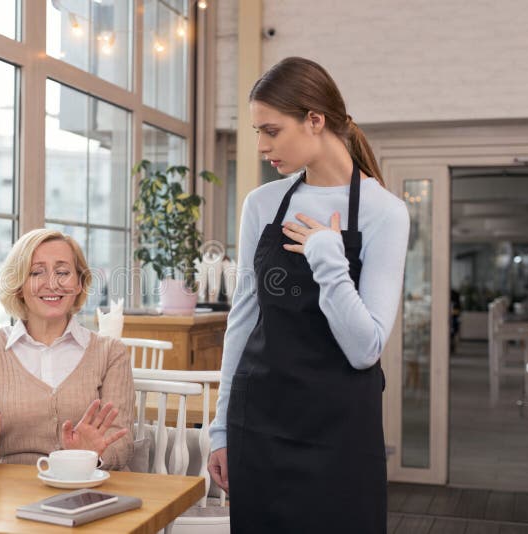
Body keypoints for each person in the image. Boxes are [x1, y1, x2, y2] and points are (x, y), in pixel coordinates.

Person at [206, 57, 410, 533]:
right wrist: (219, 428)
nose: (260, 147)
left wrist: (326, 255)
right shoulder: (262, 203)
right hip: (258, 424)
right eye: (257, 132)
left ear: (315, 120)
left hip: (340, 434)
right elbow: (243, 319)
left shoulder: (385, 212)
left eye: (271, 131)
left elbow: (365, 349)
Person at [0, 228, 134, 470]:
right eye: (36, 272)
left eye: (63, 272)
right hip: (8, 497)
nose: (52, 283)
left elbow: (121, 447)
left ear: (79, 283)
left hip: (86, 491)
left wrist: (93, 457)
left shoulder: (111, 353)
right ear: (18, 285)